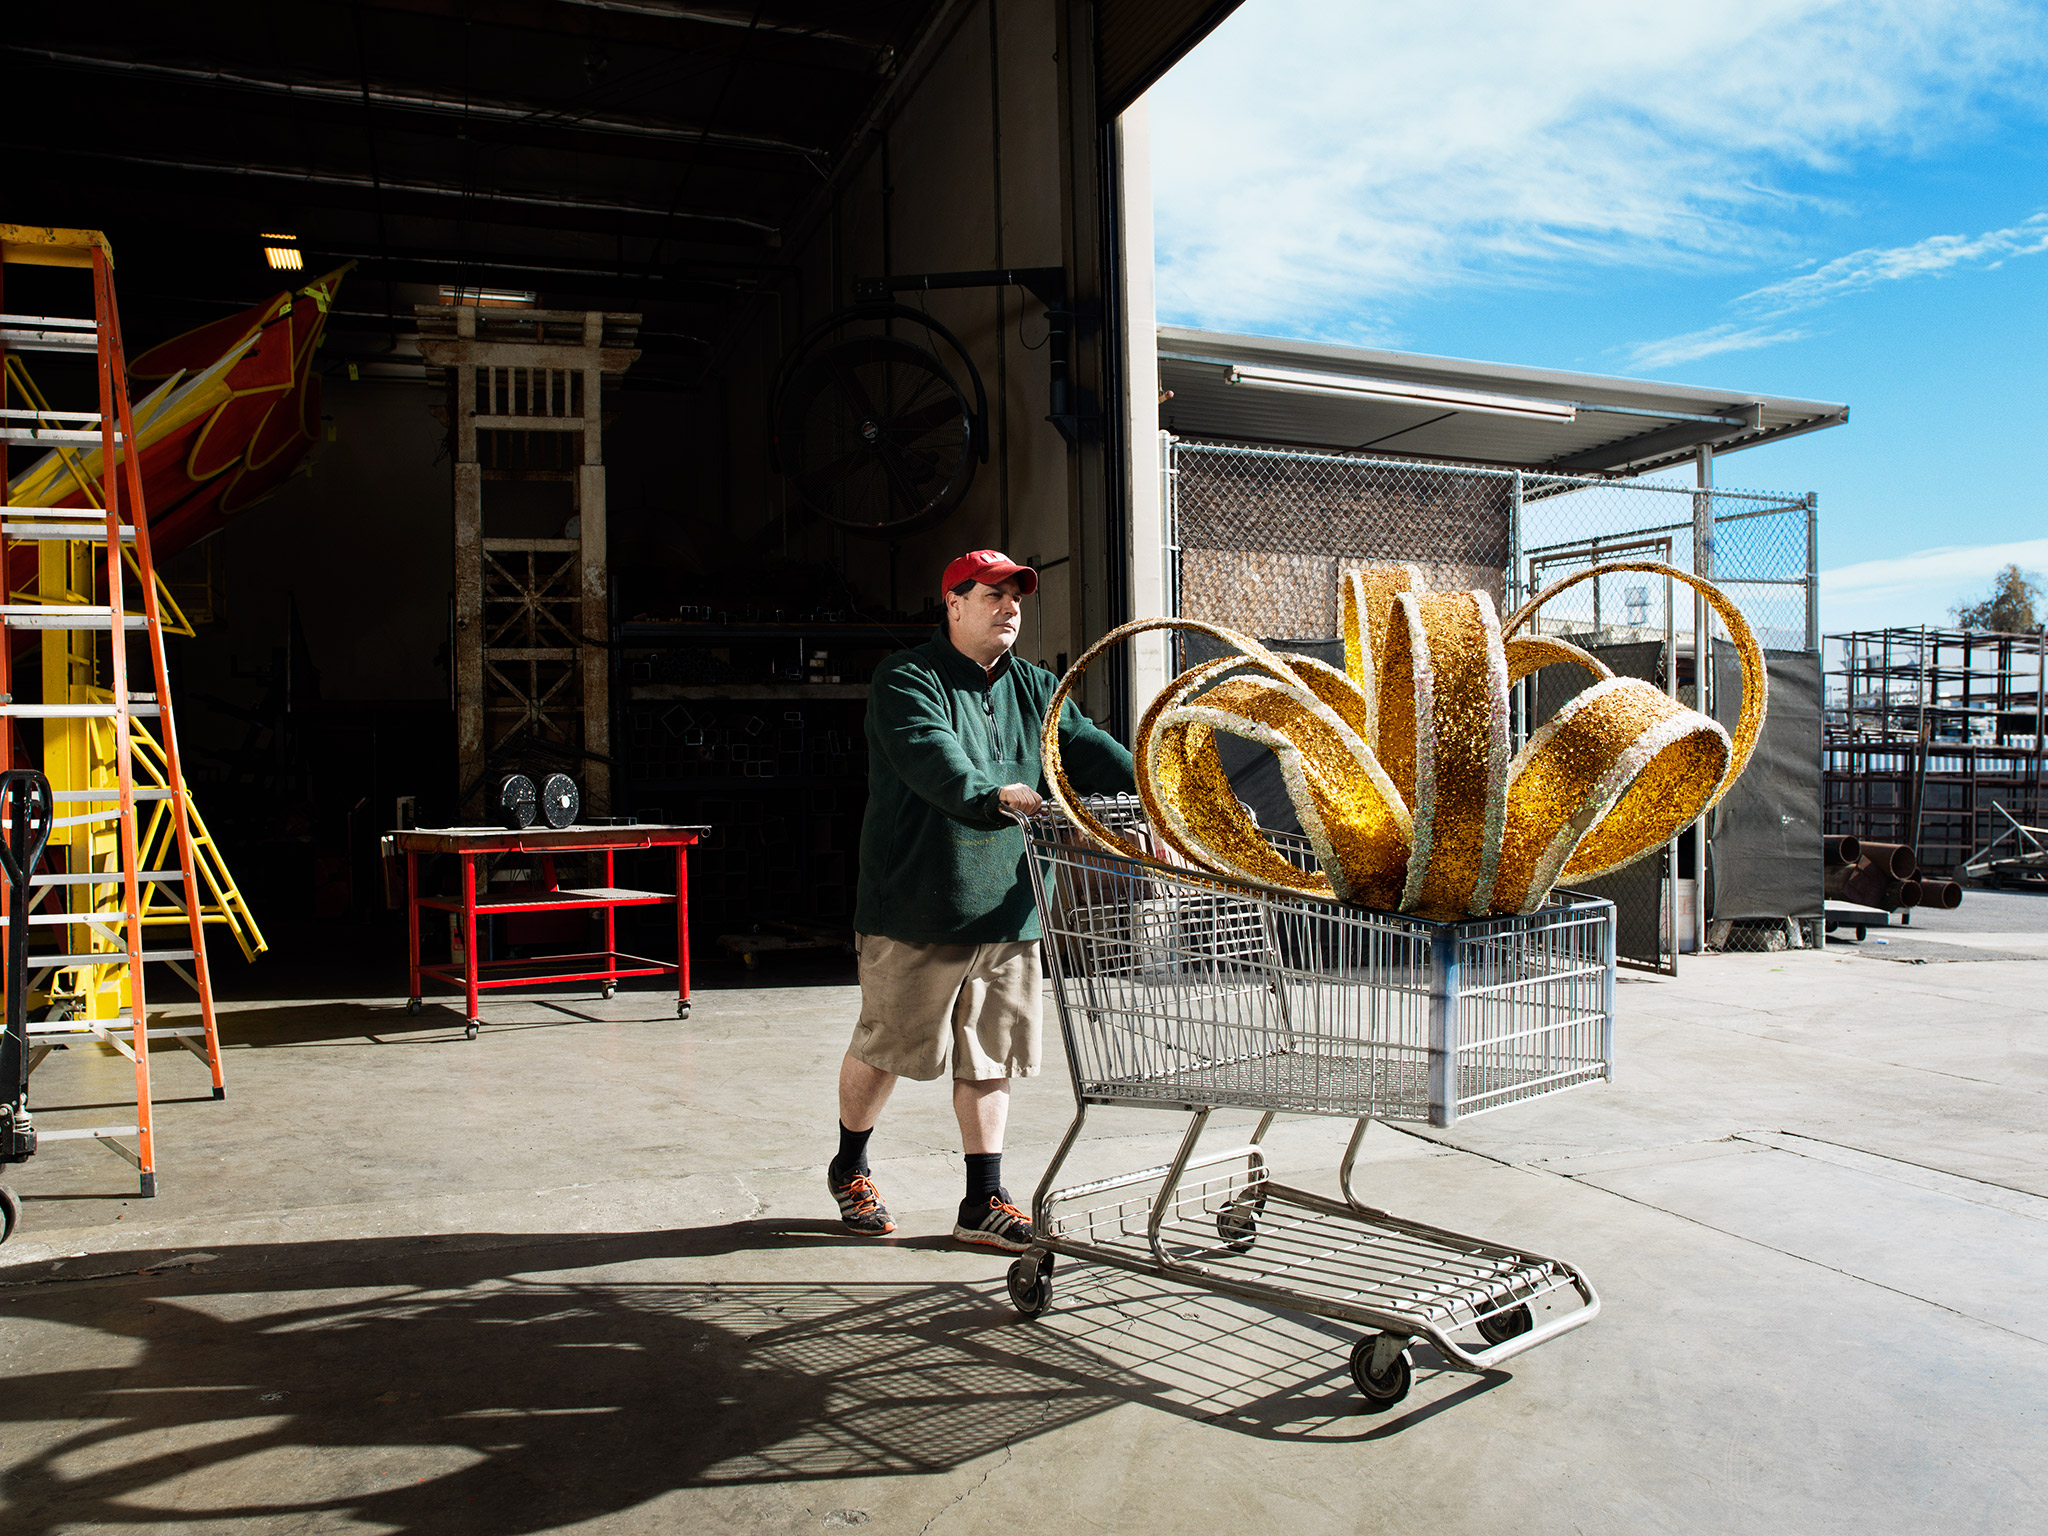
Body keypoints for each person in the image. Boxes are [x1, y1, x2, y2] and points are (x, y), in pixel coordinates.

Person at [828, 550, 1135, 1251]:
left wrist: (1163, 799)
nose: (1009, 608)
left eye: (1016, 597)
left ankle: (983, 1199)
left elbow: (1091, 751)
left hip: (1010, 905)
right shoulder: (908, 679)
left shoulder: (1038, 688)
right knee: (888, 1046)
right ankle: (849, 1165)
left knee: (991, 1054)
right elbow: (935, 757)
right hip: (916, 903)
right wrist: (991, 793)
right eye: (992, 595)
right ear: (953, 605)